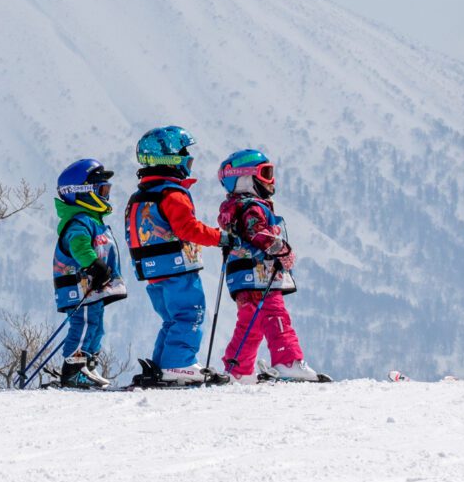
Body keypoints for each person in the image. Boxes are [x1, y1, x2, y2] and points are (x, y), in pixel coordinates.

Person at [123, 126, 232, 387]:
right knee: (189, 314)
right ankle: (179, 364)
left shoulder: (140, 197)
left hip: (153, 272)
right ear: (171, 158)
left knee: (172, 319)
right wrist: (220, 237)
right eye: (185, 154)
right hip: (177, 268)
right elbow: (188, 228)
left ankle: (163, 365)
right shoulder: (172, 194)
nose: (189, 161)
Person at [215, 149, 329, 383]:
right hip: (260, 274)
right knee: (276, 316)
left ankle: (238, 370)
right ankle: (288, 362)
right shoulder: (252, 207)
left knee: (250, 323)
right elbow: (258, 233)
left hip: (242, 277)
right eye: (265, 173)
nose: (271, 180)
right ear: (245, 179)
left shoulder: (236, 208)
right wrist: (282, 249)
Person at [50, 158, 126, 389]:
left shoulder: (93, 221)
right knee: (83, 324)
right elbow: (79, 246)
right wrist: (94, 265)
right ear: (83, 193)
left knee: (96, 326)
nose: (106, 195)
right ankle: (73, 369)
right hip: (79, 287)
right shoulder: (79, 223)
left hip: (92, 288)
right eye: (101, 190)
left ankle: (87, 365)